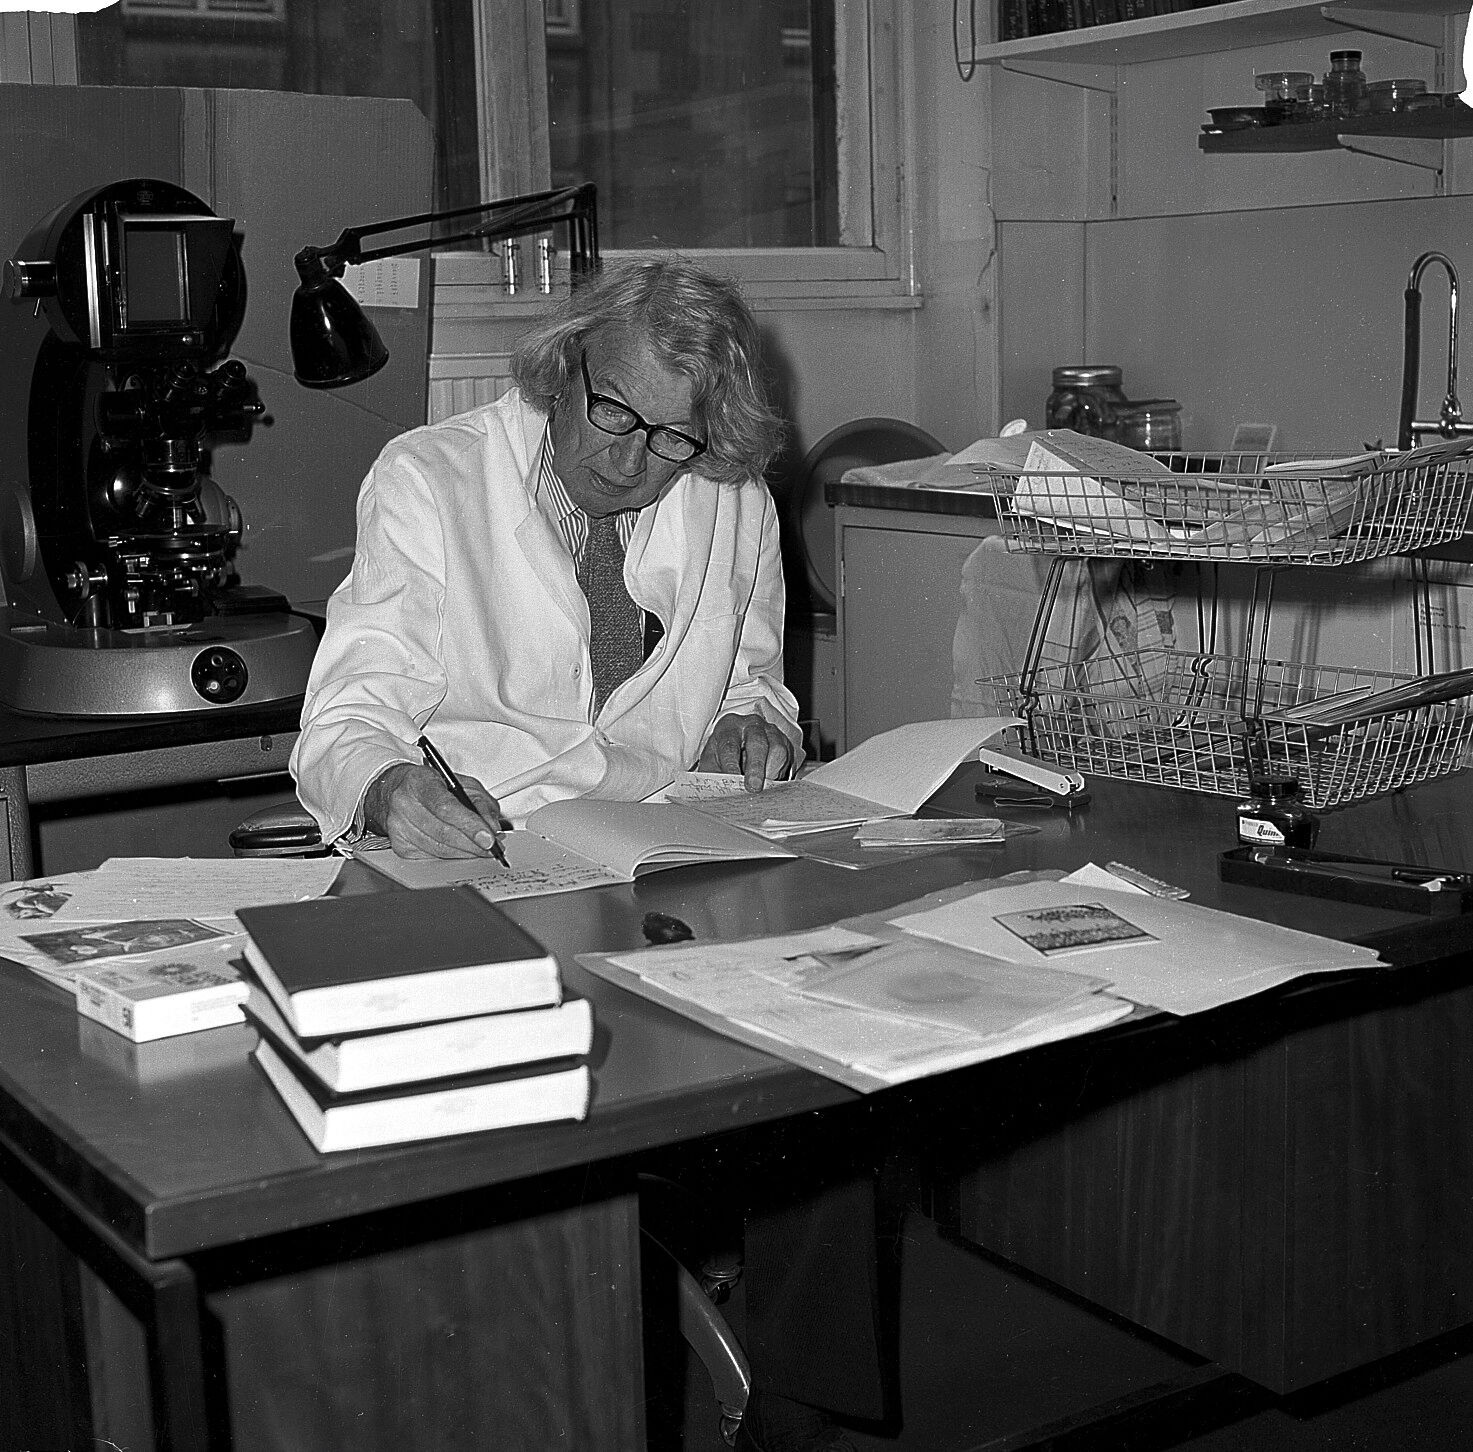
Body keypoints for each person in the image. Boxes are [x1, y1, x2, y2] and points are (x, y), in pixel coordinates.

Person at [291, 255, 802, 856]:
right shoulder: (428, 479)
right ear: (564, 368)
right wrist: (391, 788)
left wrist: (749, 728)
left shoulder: (734, 498)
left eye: (672, 437)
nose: (630, 462)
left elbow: (751, 684)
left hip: (672, 837)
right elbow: (347, 715)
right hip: (495, 837)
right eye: (613, 412)